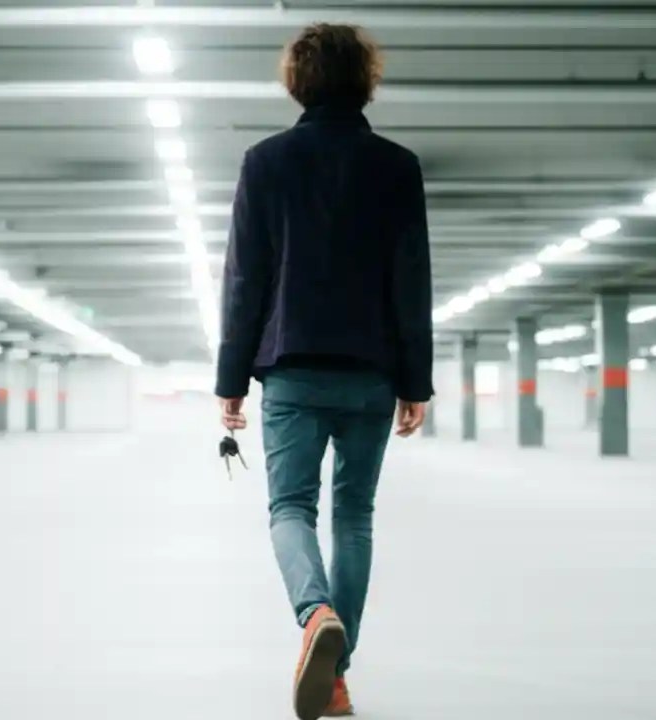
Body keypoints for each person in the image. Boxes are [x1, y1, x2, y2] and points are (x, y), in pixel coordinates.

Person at [214, 23, 434, 720]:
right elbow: (412, 280)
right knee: (357, 516)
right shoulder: (397, 165)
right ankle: (335, 674)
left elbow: (246, 279)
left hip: (291, 366)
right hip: (370, 370)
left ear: (296, 82)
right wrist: (415, 381)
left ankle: (315, 617)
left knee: (289, 509)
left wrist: (230, 379)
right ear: (366, 80)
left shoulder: (266, 161)